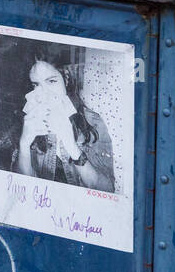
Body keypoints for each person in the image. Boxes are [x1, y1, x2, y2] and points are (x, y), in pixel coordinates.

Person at [12, 59, 115, 192]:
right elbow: (21, 188)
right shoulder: (27, 121)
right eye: (36, 85)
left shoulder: (92, 121)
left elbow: (107, 189)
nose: (43, 92)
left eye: (51, 81)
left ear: (66, 79)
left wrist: (71, 146)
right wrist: (24, 144)